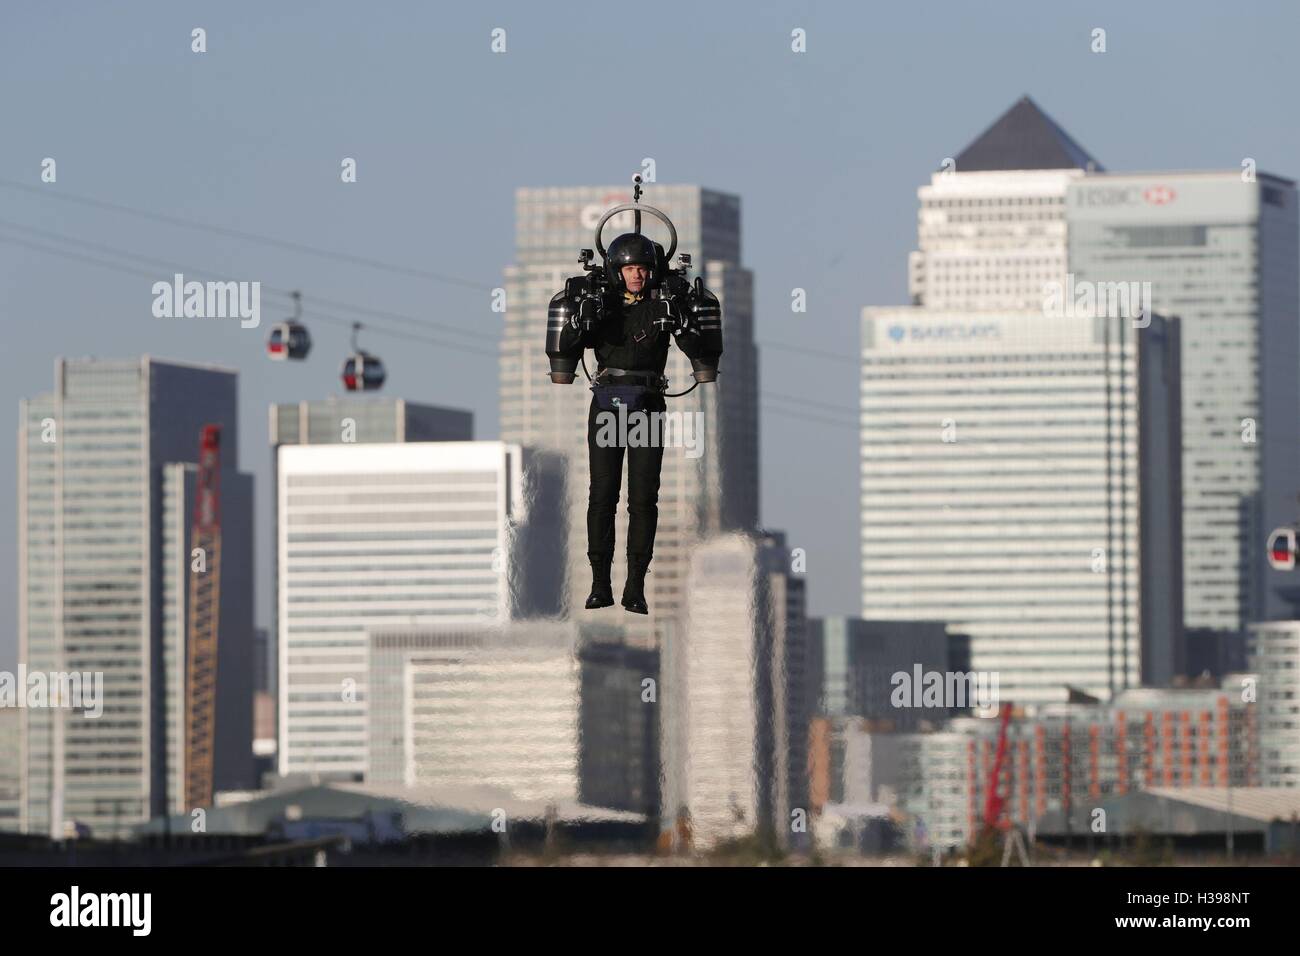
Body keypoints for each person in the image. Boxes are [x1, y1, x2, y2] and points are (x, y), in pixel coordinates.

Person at [583, 232, 711, 614]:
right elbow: (571, 341)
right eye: (628, 268)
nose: (635, 274)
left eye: (641, 268)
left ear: (651, 270)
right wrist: (583, 316)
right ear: (616, 270)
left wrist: (681, 317)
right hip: (607, 401)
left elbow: (698, 346)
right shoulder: (598, 299)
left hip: (649, 403)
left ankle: (635, 585)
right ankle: (599, 583)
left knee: (643, 498)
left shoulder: (666, 301)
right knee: (602, 495)